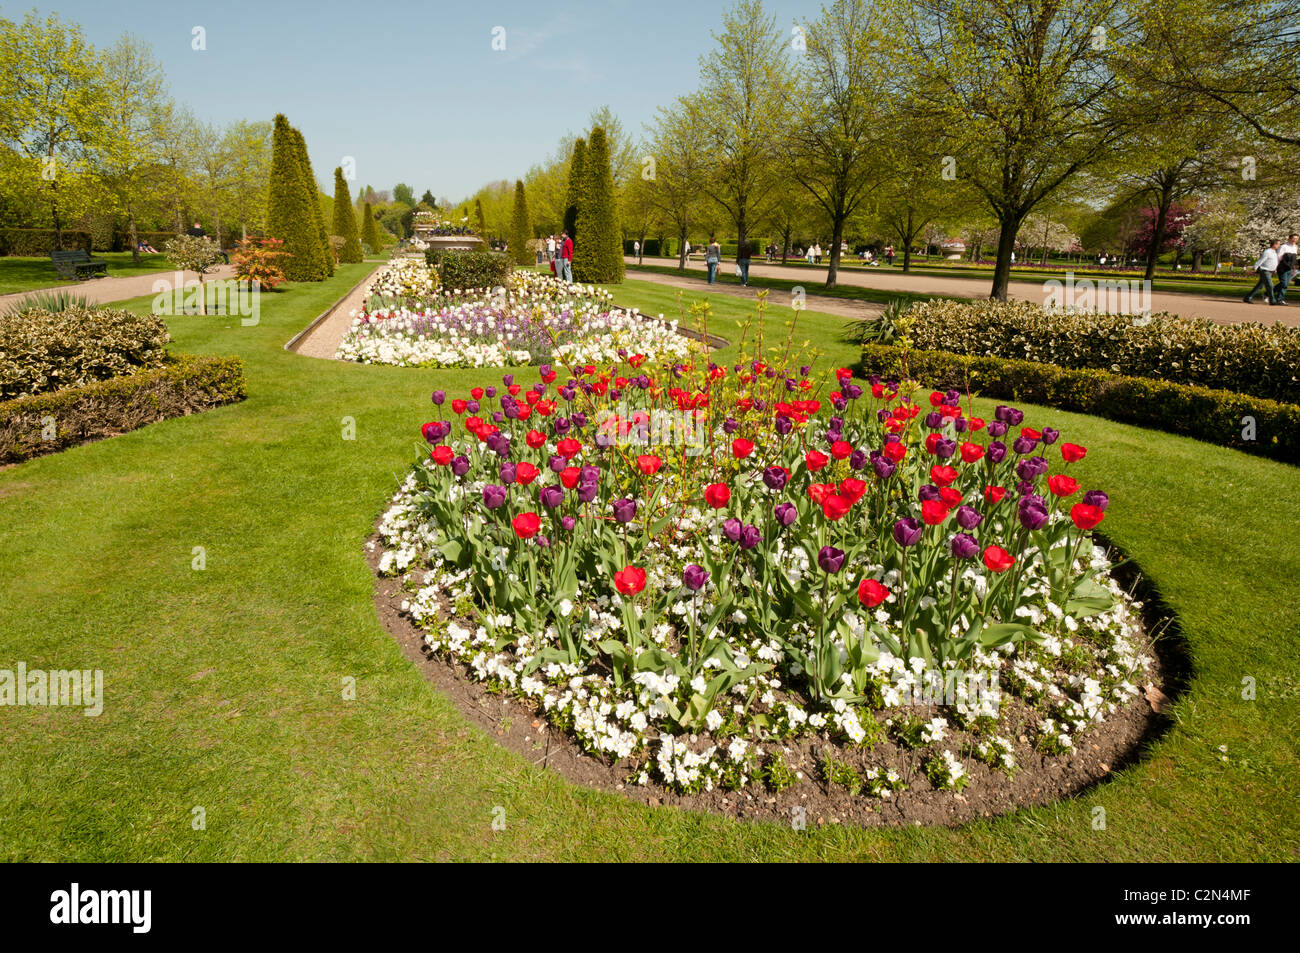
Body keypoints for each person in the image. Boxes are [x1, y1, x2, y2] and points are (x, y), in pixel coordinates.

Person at [1245, 238, 1282, 304]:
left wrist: (1274, 269)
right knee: (1270, 285)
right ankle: (1272, 300)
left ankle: (1248, 297)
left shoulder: (1274, 252)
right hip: (1265, 270)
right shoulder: (1267, 252)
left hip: (1270, 271)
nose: (1279, 245)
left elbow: (1273, 262)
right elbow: (1260, 261)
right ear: (1274, 244)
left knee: (1259, 286)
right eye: (1278, 244)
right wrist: (1254, 268)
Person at [1275, 233, 1298, 304]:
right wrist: (1275, 267)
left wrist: (1294, 268)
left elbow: (1294, 260)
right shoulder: (1283, 247)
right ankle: (1279, 299)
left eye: (1296, 239)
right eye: (1293, 238)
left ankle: (1267, 293)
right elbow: (1278, 257)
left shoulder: (1295, 247)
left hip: (1290, 268)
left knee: (1285, 284)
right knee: (1284, 284)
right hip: (1283, 268)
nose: (1295, 240)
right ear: (1289, 238)